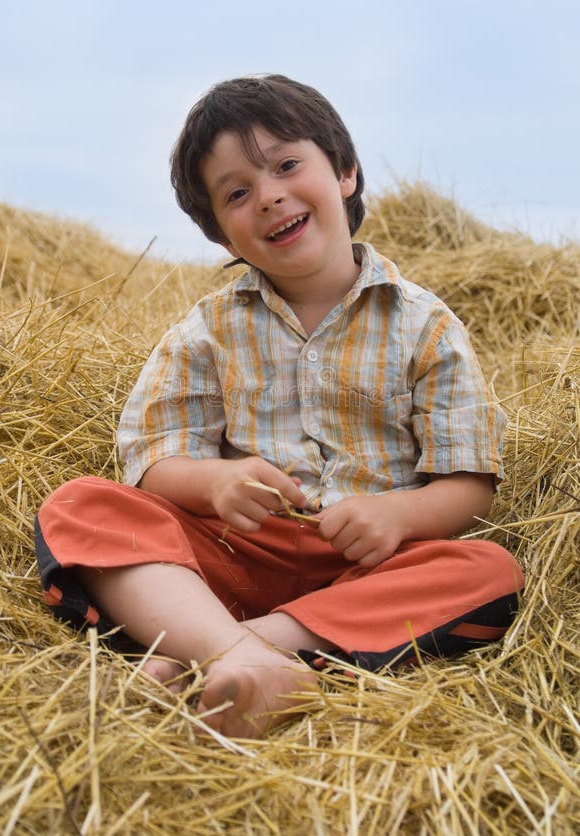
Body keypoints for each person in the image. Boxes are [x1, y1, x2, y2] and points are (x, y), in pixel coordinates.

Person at [34, 75, 523, 739]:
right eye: (237, 192)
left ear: (344, 172)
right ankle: (241, 654)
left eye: (288, 165)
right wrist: (216, 481)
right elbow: (154, 457)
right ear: (222, 233)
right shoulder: (209, 328)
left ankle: (235, 651)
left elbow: (468, 481)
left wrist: (398, 514)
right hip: (233, 558)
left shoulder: (424, 324)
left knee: (488, 572)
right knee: (80, 506)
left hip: (366, 571)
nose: (269, 196)